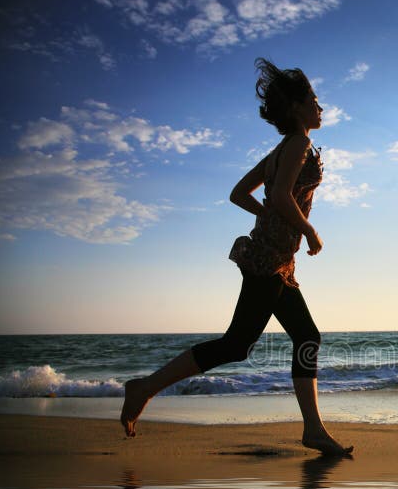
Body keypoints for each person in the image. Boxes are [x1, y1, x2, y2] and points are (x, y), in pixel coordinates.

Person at [120, 58, 353, 456]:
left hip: (277, 259)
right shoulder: (297, 144)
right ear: (297, 107)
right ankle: (145, 387)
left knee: (304, 336)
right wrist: (307, 229)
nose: (320, 106)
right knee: (237, 344)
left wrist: (271, 219)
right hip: (268, 260)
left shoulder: (281, 150)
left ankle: (313, 429)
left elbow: (240, 193)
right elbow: (278, 195)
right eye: (314, 100)